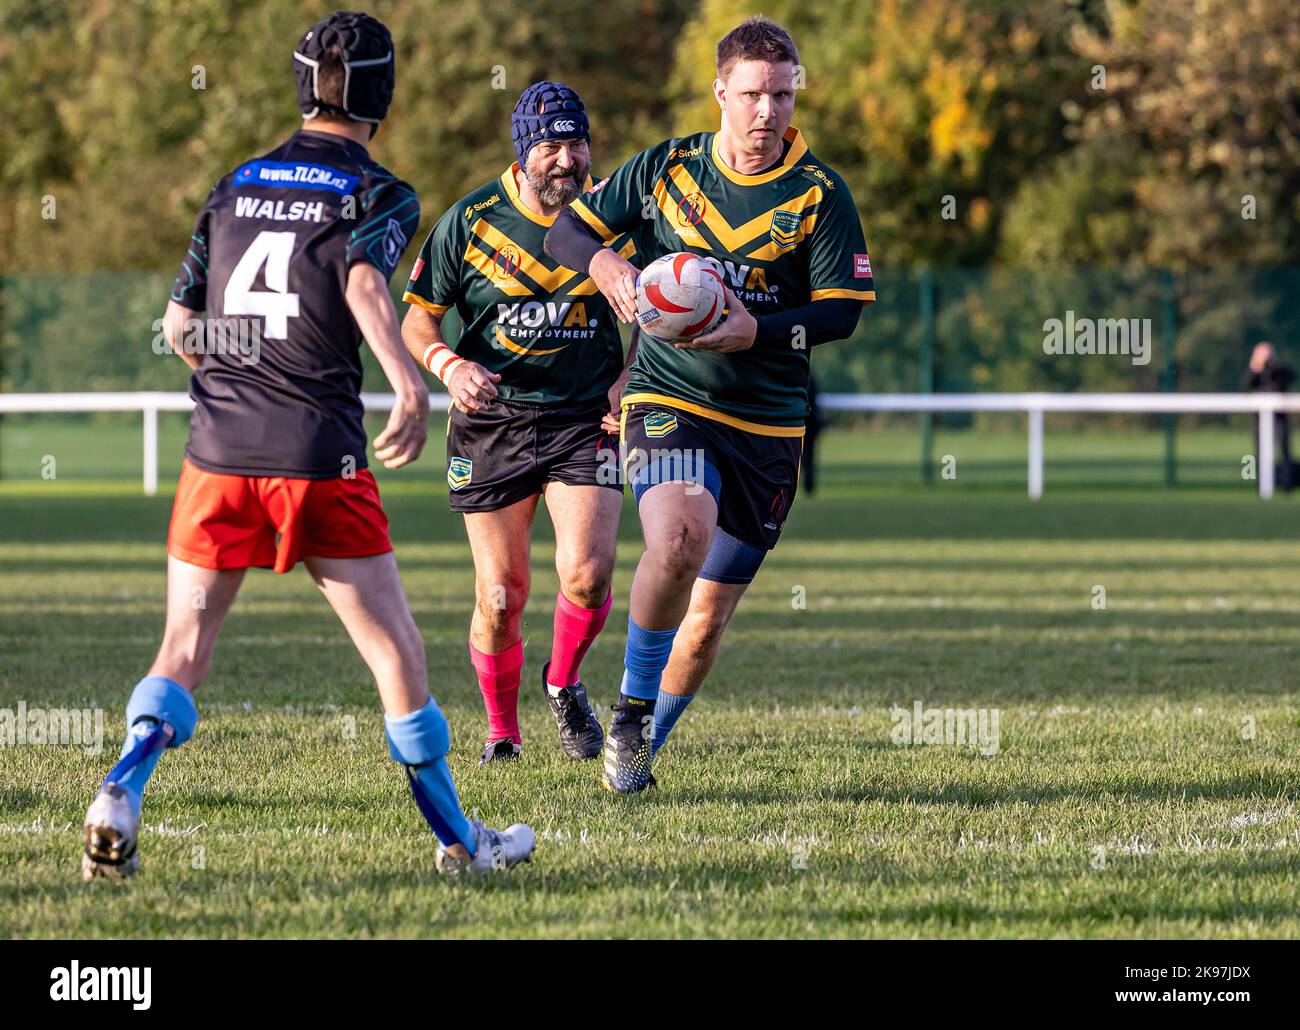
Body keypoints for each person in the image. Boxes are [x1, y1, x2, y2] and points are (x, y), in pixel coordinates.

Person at [82, 11, 535, 880]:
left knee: (184, 644)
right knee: (395, 653)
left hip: (216, 454)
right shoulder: (379, 191)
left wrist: (241, 371)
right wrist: (407, 381)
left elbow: (180, 327)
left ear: (301, 85)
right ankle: (459, 844)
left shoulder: (232, 185)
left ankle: (120, 785)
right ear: (382, 92)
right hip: (317, 456)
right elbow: (365, 280)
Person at [545, 16, 874, 792]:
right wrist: (604, 264)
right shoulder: (668, 168)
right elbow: (566, 231)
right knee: (681, 537)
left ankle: (642, 743)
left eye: (784, 96)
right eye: (755, 94)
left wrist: (754, 330)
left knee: (707, 623)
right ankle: (627, 711)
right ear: (721, 91)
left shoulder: (820, 195)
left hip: (766, 422)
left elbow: (841, 311)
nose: (770, 111)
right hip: (669, 396)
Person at [402, 82, 639, 766]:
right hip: (493, 423)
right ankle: (503, 734)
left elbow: (661, 301)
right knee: (502, 597)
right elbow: (419, 318)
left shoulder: (614, 216)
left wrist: (632, 372)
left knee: (589, 573)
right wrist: (448, 366)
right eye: (551, 146)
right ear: (523, 153)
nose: (568, 160)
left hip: (583, 417)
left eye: (577, 143)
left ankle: (563, 684)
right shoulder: (471, 219)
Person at [1240, 341, 1296, 491]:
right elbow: (1246, 384)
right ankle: (1261, 484)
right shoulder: (1257, 373)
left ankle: (1287, 484)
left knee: (1284, 450)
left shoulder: (1279, 372)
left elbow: (1290, 377)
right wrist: (1256, 367)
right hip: (1259, 418)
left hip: (1279, 416)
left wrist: (1273, 365)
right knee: (1259, 451)